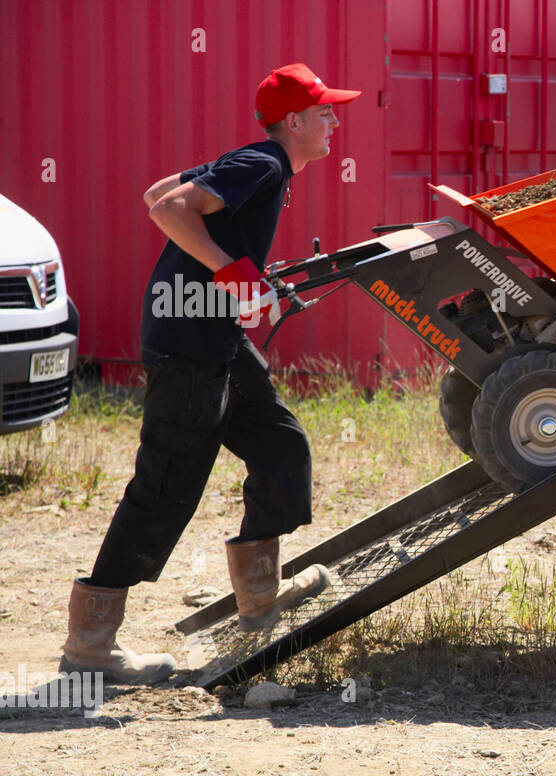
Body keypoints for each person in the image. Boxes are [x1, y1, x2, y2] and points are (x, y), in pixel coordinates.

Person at [61, 63, 361, 684]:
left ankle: (260, 603)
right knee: (166, 487)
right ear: (296, 121)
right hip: (188, 346)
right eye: (326, 111)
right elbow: (168, 208)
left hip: (215, 337)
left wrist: (240, 273)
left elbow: (154, 193)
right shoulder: (265, 163)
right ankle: (89, 646)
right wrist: (235, 273)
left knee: (281, 446)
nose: (335, 120)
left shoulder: (255, 160)